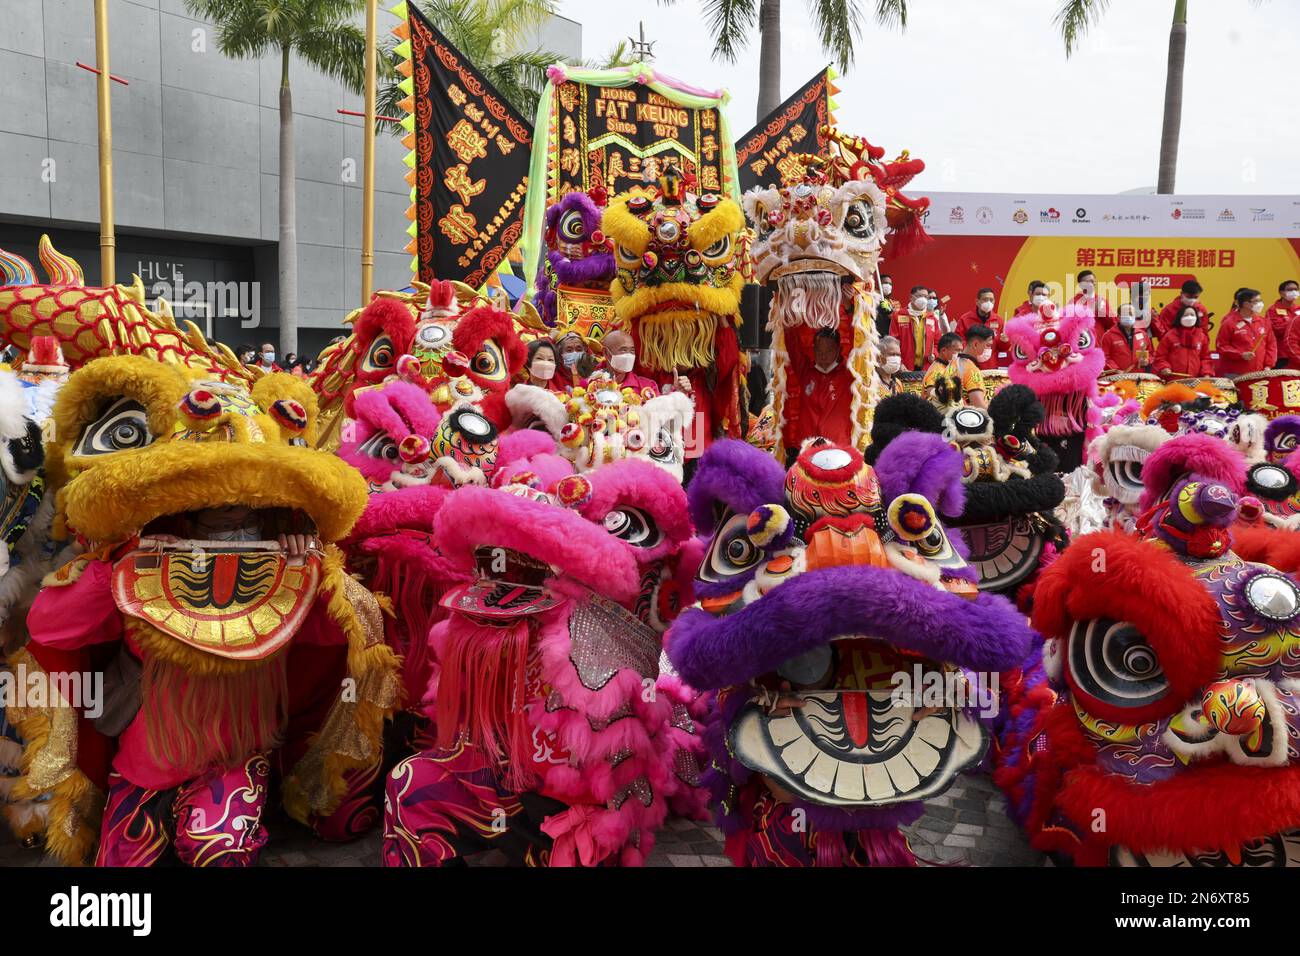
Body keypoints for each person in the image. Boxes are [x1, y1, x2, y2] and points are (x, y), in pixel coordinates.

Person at [789, 328, 854, 453]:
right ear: (813, 350)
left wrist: (850, 312)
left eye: (829, 351)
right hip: (806, 447)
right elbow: (792, 346)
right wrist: (789, 319)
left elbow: (858, 344)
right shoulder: (805, 371)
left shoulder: (848, 374)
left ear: (839, 350)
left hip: (838, 447)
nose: (823, 356)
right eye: (819, 351)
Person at [1216, 287, 1275, 376]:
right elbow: (1221, 346)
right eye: (1256, 301)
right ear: (1246, 304)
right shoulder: (1229, 323)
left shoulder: (1264, 322)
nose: (1260, 304)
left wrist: (1268, 365)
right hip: (1236, 373)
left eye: (1260, 300)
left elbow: (1271, 345)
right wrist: (1241, 355)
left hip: (1261, 372)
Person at [922, 331, 986, 409]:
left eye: (961, 350)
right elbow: (931, 393)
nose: (960, 353)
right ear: (944, 351)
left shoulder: (949, 366)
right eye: (957, 350)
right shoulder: (937, 369)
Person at [1152, 303, 1213, 378]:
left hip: (1194, 380)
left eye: (1192, 315)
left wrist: (1206, 373)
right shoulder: (1169, 336)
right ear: (1179, 317)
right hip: (1173, 380)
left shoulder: (1202, 337)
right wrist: (1164, 367)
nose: (1189, 317)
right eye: (1185, 315)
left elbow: (1205, 358)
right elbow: (1160, 356)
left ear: (1196, 318)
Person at [595, 329, 659, 398]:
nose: (628, 355)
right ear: (606, 353)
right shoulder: (590, 384)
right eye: (623, 350)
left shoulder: (647, 387)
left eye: (632, 351)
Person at [889, 284, 940, 371]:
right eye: (920, 296)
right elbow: (893, 342)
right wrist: (900, 363)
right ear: (911, 298)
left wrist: (934, 354)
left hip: (926, 368)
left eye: (925, 297)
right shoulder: (898, 315)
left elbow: (937, 342)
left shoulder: (932, 318)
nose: (923, 299)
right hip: (905, 367)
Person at [955, 288, 1007, 369]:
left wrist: (1005, 341)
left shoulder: (999, 320)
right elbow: (958, 342)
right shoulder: (965, 319)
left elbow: (1003, 348)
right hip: (969, 365)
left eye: (991, 300)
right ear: (977, 302)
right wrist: (975, 348)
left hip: (990, 367)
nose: (988, 303)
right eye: (985, 299)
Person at [1100, 303, 1153, 372]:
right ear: (1119, 317)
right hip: (1117, 378)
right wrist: (1115, 370)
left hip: (1138, 377)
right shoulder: (1108, 336)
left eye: (1131, 314)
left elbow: (1151, 353)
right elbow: (1104, 358)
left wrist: (1147, 360)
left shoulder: (1143, 334)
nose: (1129, 316)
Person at [1270, 279, 1300, 368]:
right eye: (1290, 290)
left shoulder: (1298, 308)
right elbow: (1275, 329)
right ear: (1281, 293)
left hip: (1297, 353)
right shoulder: (1273, 310)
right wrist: (1294, 323)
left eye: (1296, 289)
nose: (1294, 292)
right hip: (1282, 355)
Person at [875, 274, 898, 339]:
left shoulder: (895, 303)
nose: (888, 286)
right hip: (875, 336)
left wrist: (890, 312)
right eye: (885, 283)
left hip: (888, 338)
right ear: (878, 284)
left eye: (890, 284)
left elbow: (898, 320)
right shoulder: (871, 299)